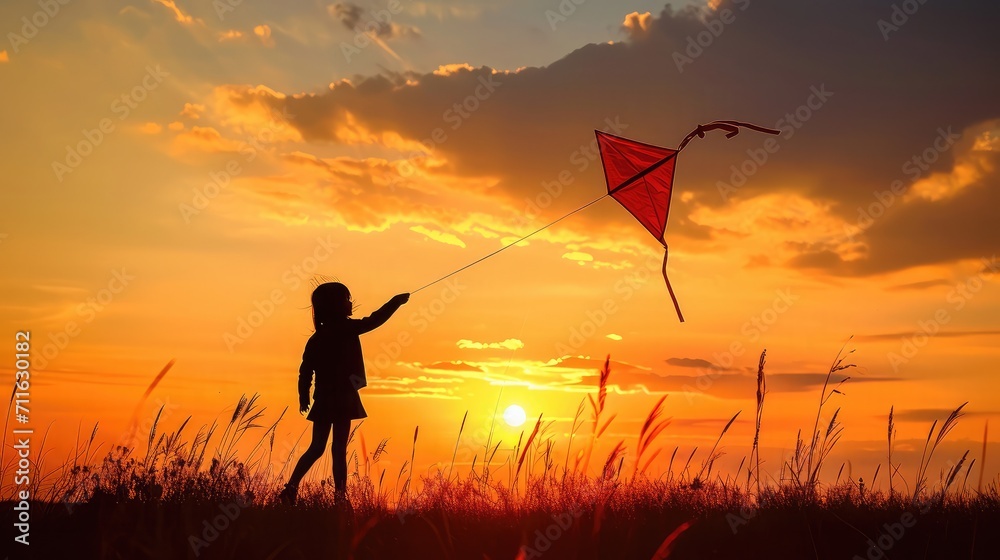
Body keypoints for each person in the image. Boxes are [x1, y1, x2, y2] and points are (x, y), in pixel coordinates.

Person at [278, 282, 409, 505]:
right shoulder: (345, 329)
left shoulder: (317, 337)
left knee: (317, 447)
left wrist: (304, 396)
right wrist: (395, 302)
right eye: (347, 299)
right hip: (343, 398)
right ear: (335, 305)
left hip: (324, 398)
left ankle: (292, 488)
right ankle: (339, 497)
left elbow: (305, 371)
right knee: (338, 449)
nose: (351, 303)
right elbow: (374, 321)